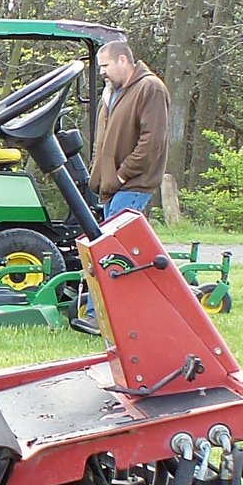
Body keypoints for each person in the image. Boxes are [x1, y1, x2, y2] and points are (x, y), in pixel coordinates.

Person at [72, 40, 170, 335]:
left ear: (124, 60)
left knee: (112, 252)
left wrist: (121, 175)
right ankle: (105, 314)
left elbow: (151, 144)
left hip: (133, 186)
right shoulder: (111, 94)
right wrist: (98, 175)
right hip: (110, 187)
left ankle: (102, 318)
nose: (101, 72)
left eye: (105, 65)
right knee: (107, 250)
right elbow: (103, 143)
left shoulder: (149, 89)